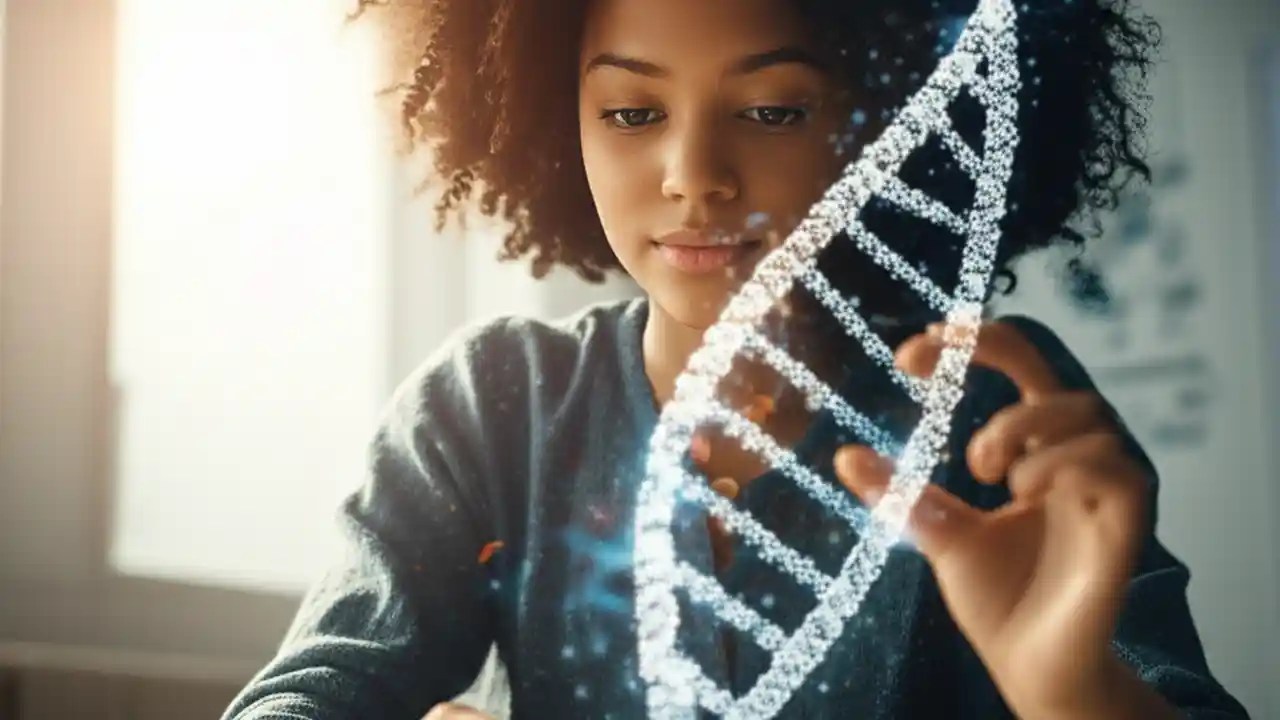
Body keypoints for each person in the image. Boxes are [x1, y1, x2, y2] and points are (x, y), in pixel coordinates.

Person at [223, 0, 1251, 718]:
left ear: (881, 128)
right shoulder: (493, 408)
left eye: (770, 111)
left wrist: (1074, 697)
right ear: (549, 120)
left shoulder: (983, 410)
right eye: (631, 112)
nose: (692, 177)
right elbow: (323, 688)